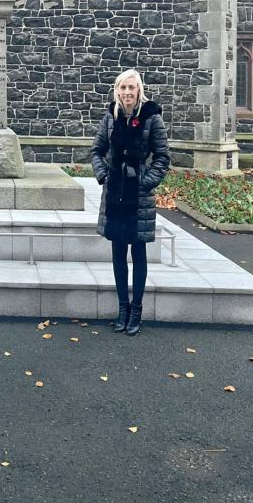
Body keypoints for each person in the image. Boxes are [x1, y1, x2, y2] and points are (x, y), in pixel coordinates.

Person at [90, 69, 170, 336]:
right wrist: (104, 175)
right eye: (123, 87)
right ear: (117, 90)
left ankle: (136, 311)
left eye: (131, 88)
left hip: (139, 196)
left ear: (139, 90)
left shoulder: (151, 117)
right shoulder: (110, 117)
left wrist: (146, 181)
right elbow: (96, 151)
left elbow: (162, 157)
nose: (127, 92)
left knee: (138, 252)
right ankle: (122, 309)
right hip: (115, 193)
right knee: (118, 253)